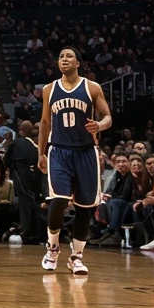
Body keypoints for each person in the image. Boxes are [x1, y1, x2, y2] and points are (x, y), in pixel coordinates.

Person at [37, 46, 111, 276]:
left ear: (78, 62)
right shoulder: (49, 89)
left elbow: (108, 117)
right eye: (61, 56)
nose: (64, 59)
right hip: (59, 151)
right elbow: (45, 123)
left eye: (69, 56)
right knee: (59, 199)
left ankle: (76, 257)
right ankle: (52, 248)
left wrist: (99, 125)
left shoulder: (92, 87)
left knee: (84, 207)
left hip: (86, 152)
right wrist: (41, 153)